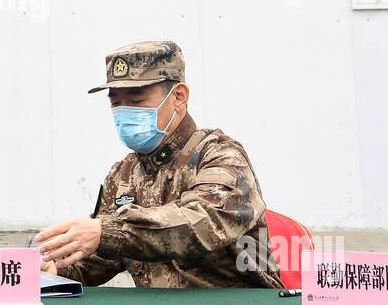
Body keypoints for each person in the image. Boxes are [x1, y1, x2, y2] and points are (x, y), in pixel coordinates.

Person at [34, 40, 282, 289]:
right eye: (116, 103)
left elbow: (200, 224)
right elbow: (100, 259)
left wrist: (107, 232)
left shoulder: (220, 155)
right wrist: (59, 268)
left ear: (179, 96)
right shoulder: (122, 175)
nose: (124, 113)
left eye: (136, 100)